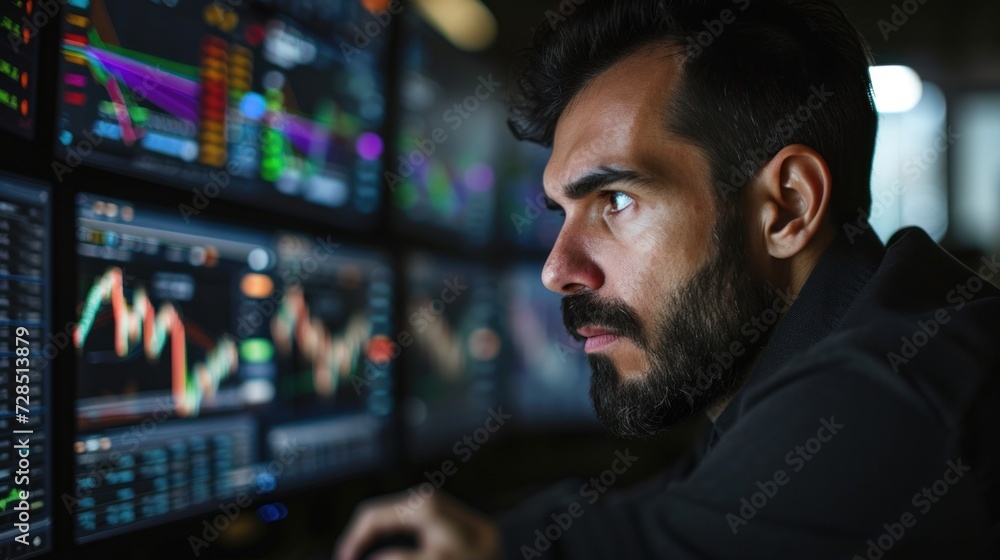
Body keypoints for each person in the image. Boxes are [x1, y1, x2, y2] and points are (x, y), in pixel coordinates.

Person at [335, 1, 1000, 558]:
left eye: (616, 202)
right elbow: (681, 506)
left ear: (788, 207)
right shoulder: (863, 333)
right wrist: (497, 541)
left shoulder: (890, 398)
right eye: (563, 214)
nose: (556, 271)